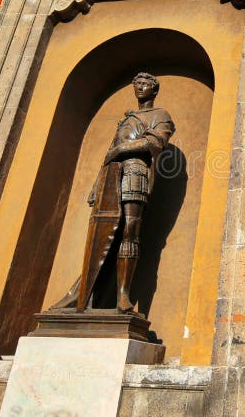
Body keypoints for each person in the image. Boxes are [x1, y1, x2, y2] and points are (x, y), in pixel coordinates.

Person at [50, 72, 174, 313]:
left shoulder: (160, 115)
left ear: (154, 89)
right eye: (136, 83)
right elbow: (109, 152)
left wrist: (121, 150)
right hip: (111, 175)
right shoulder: (126, 119)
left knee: (130, 231)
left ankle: (123, 296)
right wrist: (97, 184)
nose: (140, 87)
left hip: (136, 171)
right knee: (101, 234)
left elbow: (155, 143)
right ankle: (80, 293)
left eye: (145, 84)